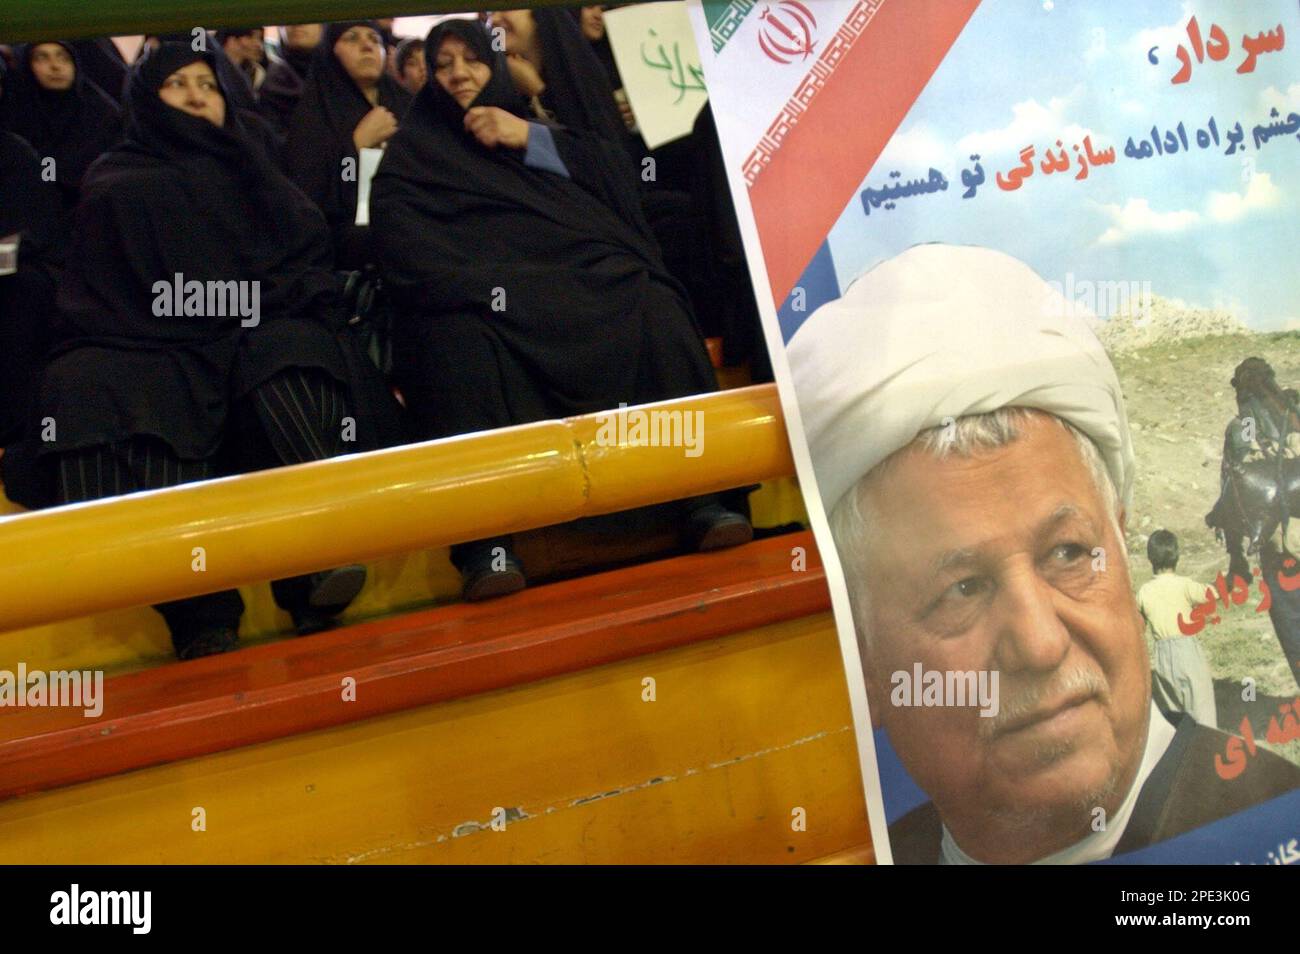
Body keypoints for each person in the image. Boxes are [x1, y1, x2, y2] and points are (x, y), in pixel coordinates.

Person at [791, 244, 1300, 864]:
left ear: (1119, 540)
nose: (1039, 644)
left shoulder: (1277, 826)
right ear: (863, 664)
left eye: (1067, 554)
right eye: (964, 589)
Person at [371, 19, 752, 601]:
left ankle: (702, 500)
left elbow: (615, 184)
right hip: (483, 293)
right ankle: (488, 546)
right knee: (453, 337)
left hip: (575, 275)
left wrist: (528, 137)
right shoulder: (412, 154)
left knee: (651, 296)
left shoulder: (529, 129)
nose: (457, 74)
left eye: (470, 59)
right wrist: (479, 281)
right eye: (442, 63)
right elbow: (404, 246)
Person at [33, 43, 381, 659]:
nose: (197, 96)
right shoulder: (117, 176)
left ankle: (315, 572)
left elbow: (304, 258)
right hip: (147, 336)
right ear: (148, 99)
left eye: (208, 83)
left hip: (256, 322)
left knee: (290, 355)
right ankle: (197, 613)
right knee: (90, 385)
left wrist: (244, 306)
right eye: (176, 85)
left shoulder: (257, 165)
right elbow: (100, 290)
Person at [283, 20, 412, 270]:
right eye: (352, 38)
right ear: (331, 51)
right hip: (344, 240)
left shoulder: (406, 104)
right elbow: (307, 197)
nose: (366, 46)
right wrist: (356, 146)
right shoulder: (315, 115)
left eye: (375, 40)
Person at [1210, 357, 1300, 690]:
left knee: (1293, 625)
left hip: (1280, 549)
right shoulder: (1292, 413)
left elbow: (1235, 494)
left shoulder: (1243, 425)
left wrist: (1236, 557)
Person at [0, 41, 122, 215]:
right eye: (42, 58)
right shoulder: (15, 115)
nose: (55, 66)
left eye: (63, 58)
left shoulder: (101, 116)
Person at [1136, 530, 1217, 728]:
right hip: (1188, 650)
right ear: (1177, 557)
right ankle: (1207, 750)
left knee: (1174, 716)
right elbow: (1213, 594)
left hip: (1161, 656)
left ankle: (1182, 753)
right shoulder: (1185, 585)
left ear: (1150, 558)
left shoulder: (1144, 592)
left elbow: (1137, 625)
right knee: (1202, 707)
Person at [259, 23, 322, 137]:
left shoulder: (340, 78)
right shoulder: (274, 81)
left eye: (308, 17)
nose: (297, 25)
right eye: (288, 20)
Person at [216, 27, 267, 100]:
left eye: (260, 38)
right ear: (231, 40)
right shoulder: (210, 68)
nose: (258, 44)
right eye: (250, 37)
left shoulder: (257, 73)